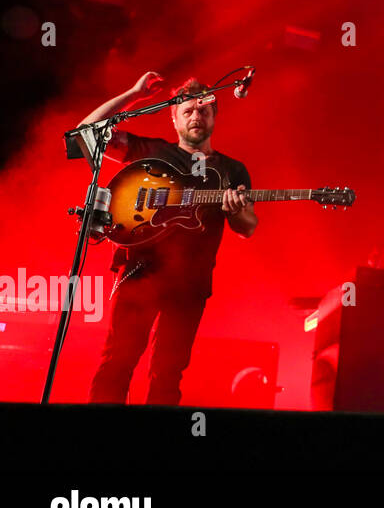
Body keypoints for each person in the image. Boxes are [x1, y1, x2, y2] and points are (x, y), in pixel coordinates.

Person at [83, 72, 256, 405]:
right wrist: (134, 94)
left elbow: (247, 227)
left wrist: (235, 209)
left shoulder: (233, 170)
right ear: (173, 117)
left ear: (215, 116)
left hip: (190, 285)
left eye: (204, 110)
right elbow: (85, 135)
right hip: (139, 273)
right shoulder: (152, 151)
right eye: (187, 110)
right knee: (117, 363)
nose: (196, 116)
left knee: (168, 374)